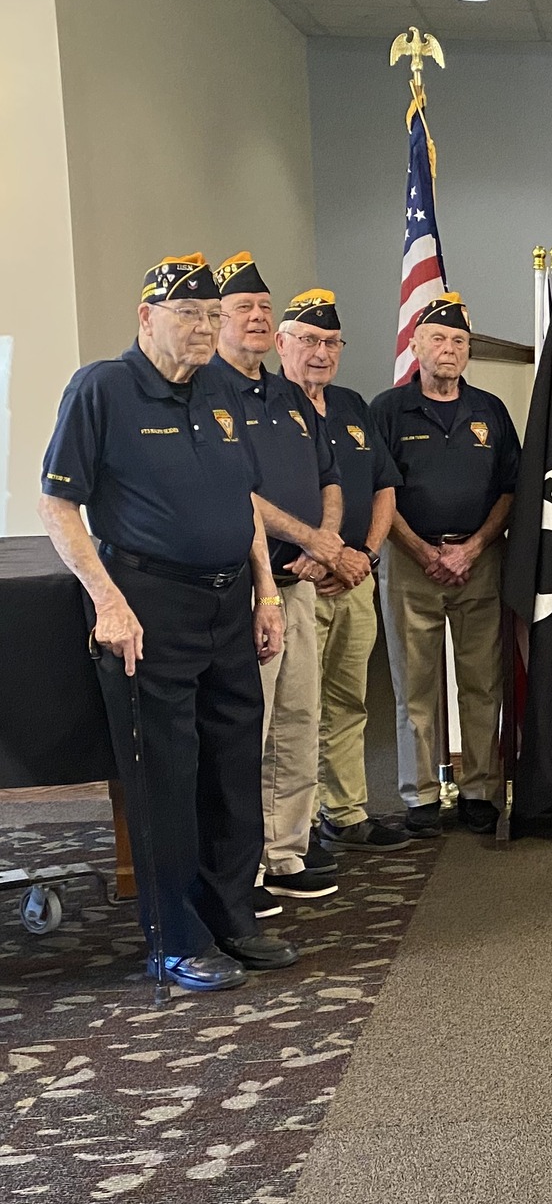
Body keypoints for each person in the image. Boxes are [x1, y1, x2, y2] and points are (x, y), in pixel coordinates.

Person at [38, 253, 293, 992]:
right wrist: (108, 600)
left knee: (234, 763)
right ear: (146, 318)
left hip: (225, 604)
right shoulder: (102, 389)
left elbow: (243, 498)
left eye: (213, 317)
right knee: (167, 776)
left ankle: (232, 916)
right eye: (189, 317)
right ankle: (174, 937)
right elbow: (57, 504)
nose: (206, 329)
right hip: (148, 605)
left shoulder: (218, 387)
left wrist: (265, 591)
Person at [204, 253, 346, 912]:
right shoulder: (208, 391)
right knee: (248, 731)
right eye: (244, 309)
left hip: (303, 584)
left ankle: (286, 854)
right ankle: (244, 869)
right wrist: (312, 536)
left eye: (265, 306)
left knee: (298, 721)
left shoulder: (288, 393)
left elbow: (330, 476)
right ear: (219, 321)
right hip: (247, 593)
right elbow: (239, 492)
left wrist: (328, 543)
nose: (258, 317)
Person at [370, 294, 521, 838]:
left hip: (478, 561)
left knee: (482, 681)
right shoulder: (386, 411)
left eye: (459, 341)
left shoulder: (490, 411)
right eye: (438, 338)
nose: (449, 349)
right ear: (415, 344)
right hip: (410, 562)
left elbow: (511, 488)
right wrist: (423, 551)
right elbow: (377, 492)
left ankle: (481, 789)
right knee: (415, 684)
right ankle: (421, 795)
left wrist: (474, 547)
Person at [274, 290, 409, 854]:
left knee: (349, 701)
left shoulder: (353, 405)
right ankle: (289, 831)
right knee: (293, 712)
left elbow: (384, 485)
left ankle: (346, 812)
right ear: (282, 342)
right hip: (294, 579)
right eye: (308, 340)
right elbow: (257, 493)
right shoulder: (267, 406)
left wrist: (367, 557)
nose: (321, 352)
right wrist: (320, 556)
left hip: (355, 577)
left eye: (331, 342)